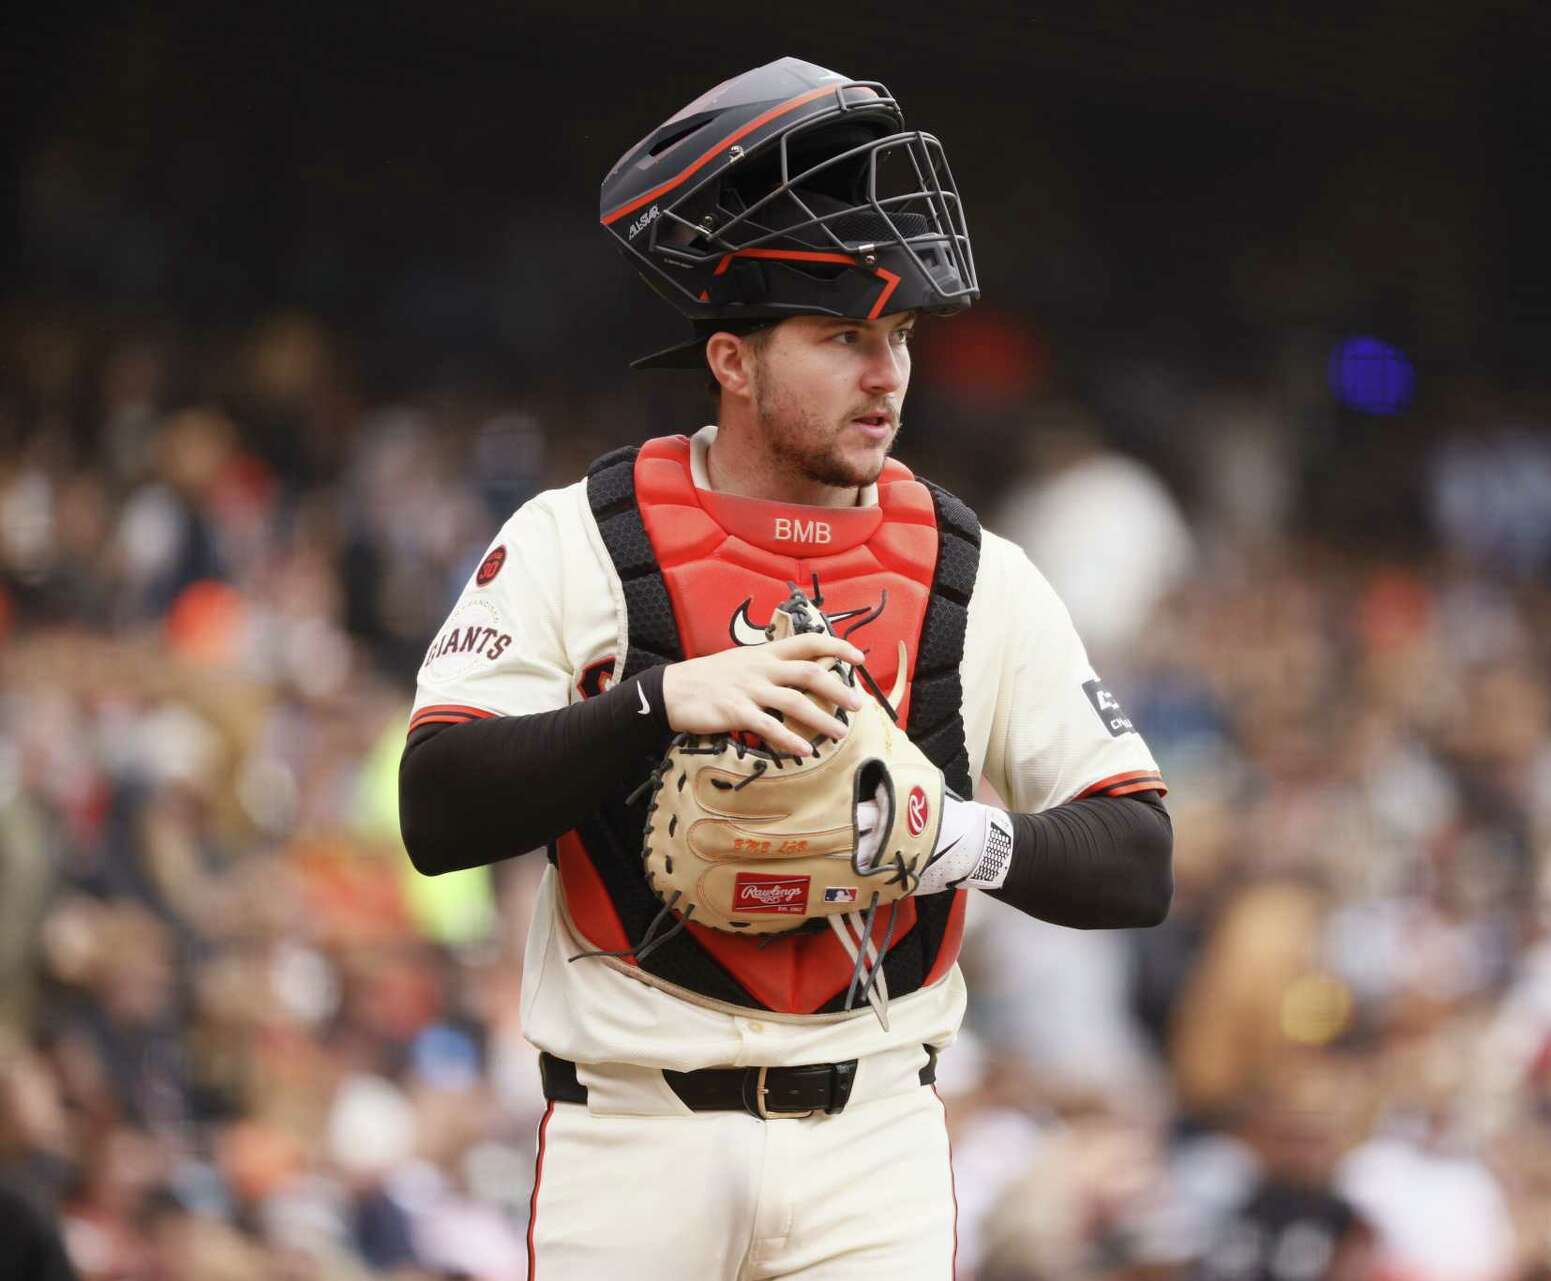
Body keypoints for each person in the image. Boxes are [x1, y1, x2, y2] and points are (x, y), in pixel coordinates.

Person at [397, 57, 1173, 1279]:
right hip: (632, 1134)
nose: (889, 375)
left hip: (878, 1137)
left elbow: (1140, 859)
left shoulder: (976, 571)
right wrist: (653, 705)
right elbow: (434, 809)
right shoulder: (577, 538)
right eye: (844, 336)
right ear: (732, 359)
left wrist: (951, 837)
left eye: (901, 335)